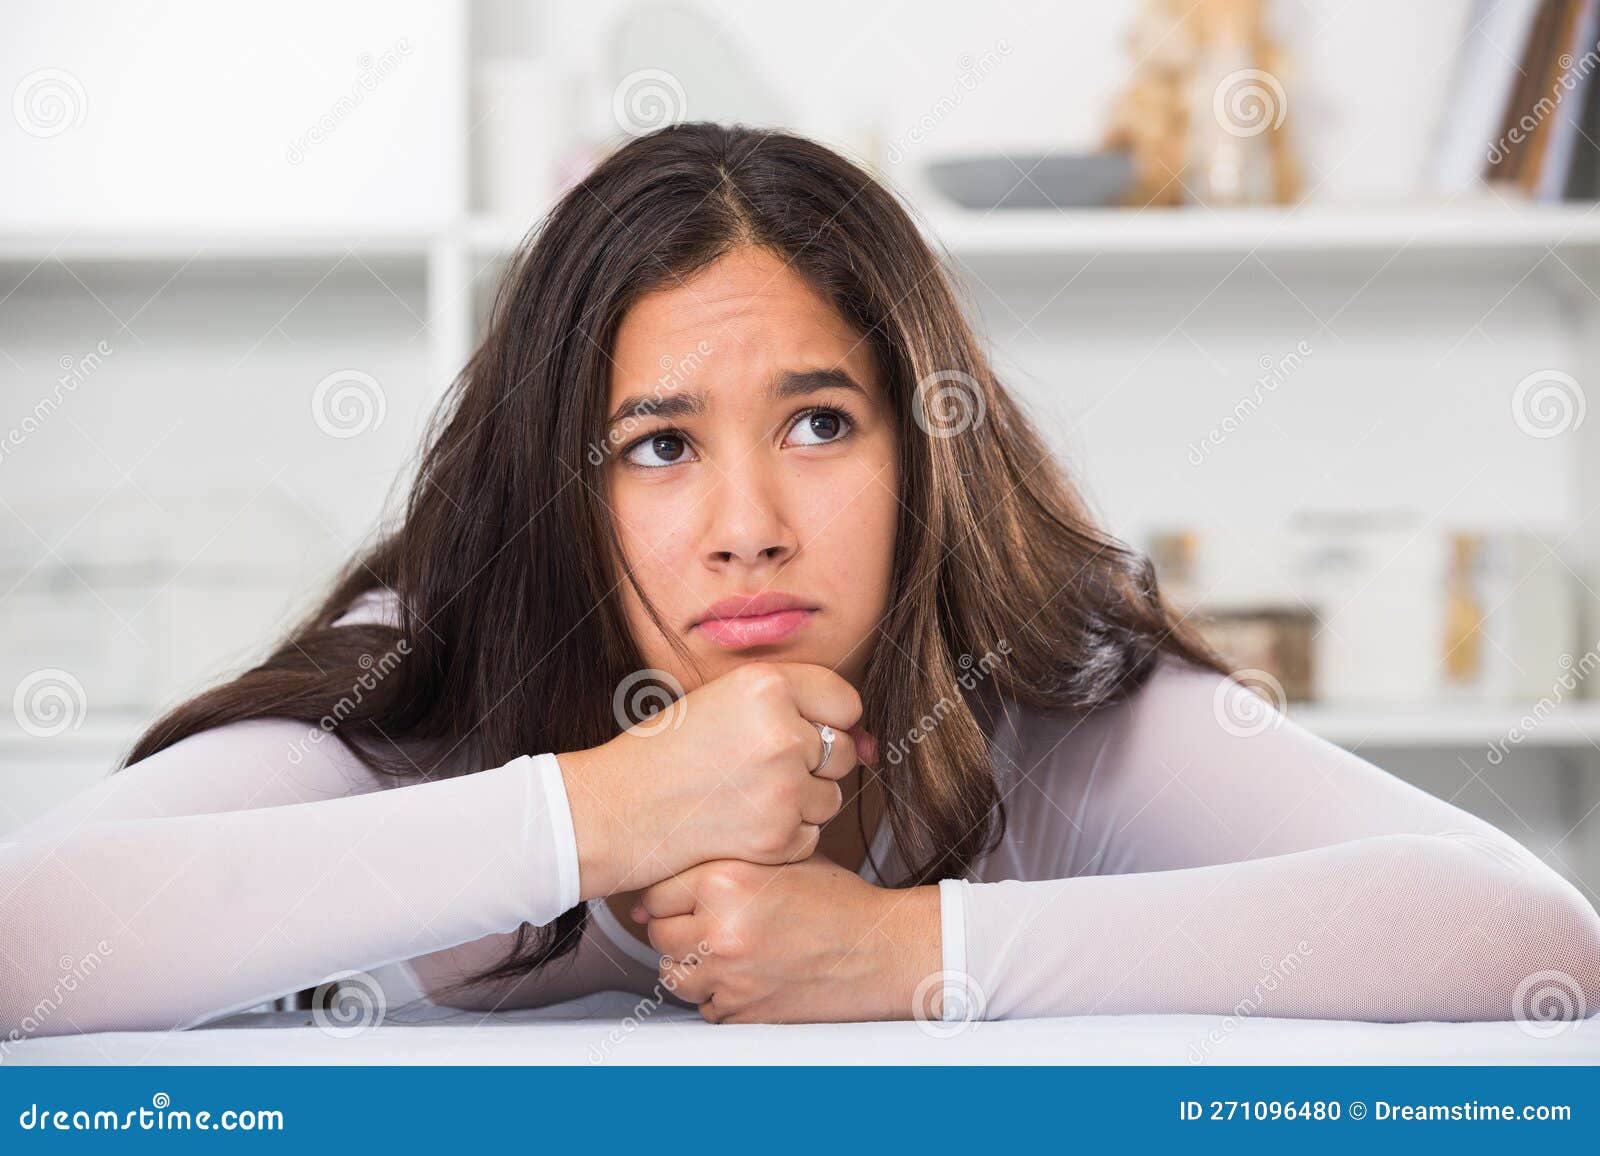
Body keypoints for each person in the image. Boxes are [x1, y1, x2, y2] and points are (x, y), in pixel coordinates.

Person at [4, 123, 1597, 1039]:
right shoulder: (428, 675)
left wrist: (920, 959)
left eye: (820, 424)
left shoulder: (1039, 685)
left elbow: (1532, 942)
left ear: (926, 448)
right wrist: (596, 812)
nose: (748, 525)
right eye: (655, 446)